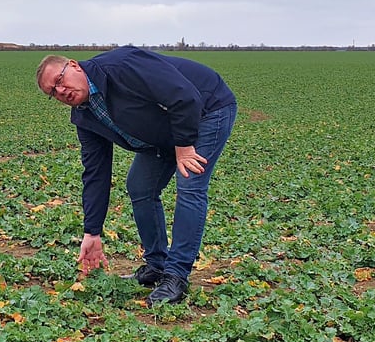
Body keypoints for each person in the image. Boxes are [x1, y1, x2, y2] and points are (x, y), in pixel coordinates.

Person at [36, 46, 237, 305]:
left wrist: (184, 148)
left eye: (59, 81)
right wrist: (92, 232)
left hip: (208, 108)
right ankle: (157, 266)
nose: (61, 91)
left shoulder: (121, 65)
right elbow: (96, 173)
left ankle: (176, 276)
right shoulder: (85, 117)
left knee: (190, 182)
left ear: (74, 66)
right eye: (53, 92)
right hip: (167, 129)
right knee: (140, 186)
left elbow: (183, 95)